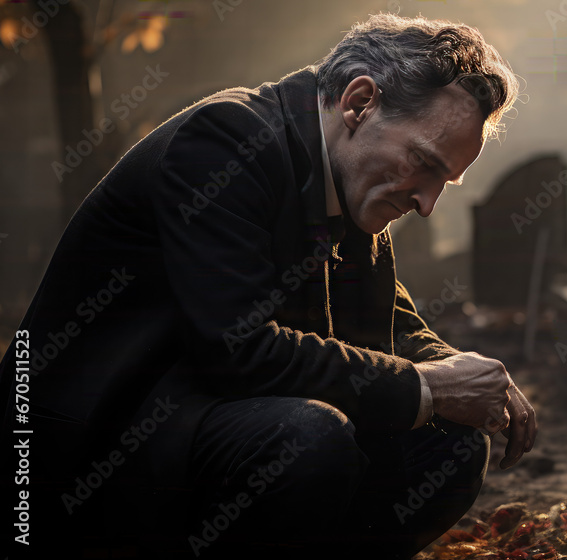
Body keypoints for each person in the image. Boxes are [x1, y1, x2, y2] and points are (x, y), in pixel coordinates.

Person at [0, 13, 536, 559]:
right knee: (306, 439)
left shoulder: (348, 176)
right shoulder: (223, 143)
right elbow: (237, 349)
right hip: (85, 455)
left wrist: (463, 375)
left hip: (195, 428)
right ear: (359, 102)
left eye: (442, 182)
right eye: (423, 164)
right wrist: (432, 386)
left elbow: (387, 320)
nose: (425, 203)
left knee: (449, 445)